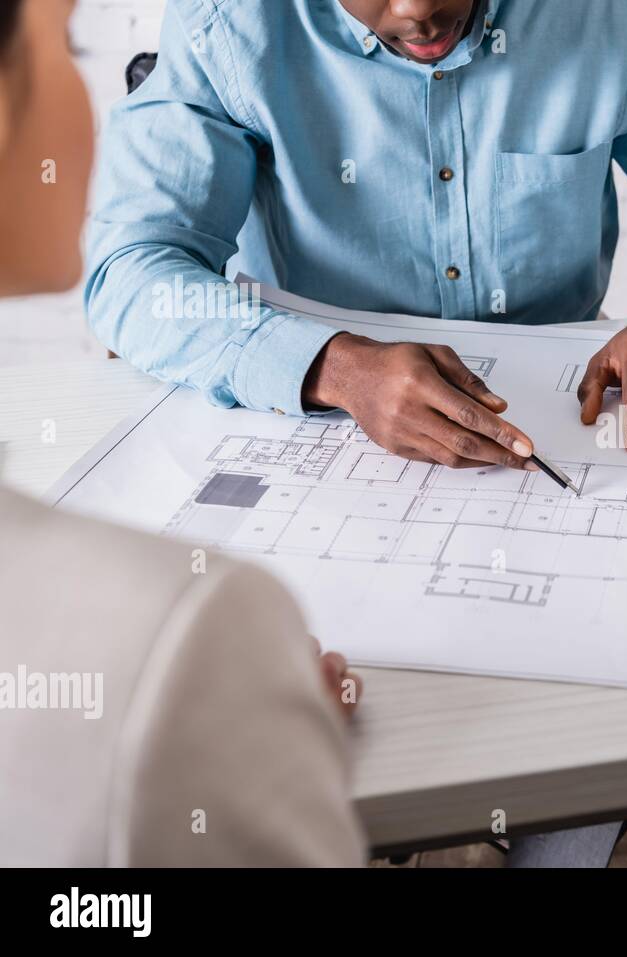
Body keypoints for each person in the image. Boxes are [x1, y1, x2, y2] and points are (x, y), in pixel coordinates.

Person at [84, 0, 627, 465]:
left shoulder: (610, 18)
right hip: (313, 428)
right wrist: (335, 366)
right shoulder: (228, 26)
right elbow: (132, 270)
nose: (421, 12)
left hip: (560, 425)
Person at [0, 0, 368, 865]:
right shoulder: (187, 632)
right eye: (69, 44)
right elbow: (135, 268)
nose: (112, 108)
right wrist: (232, 738)